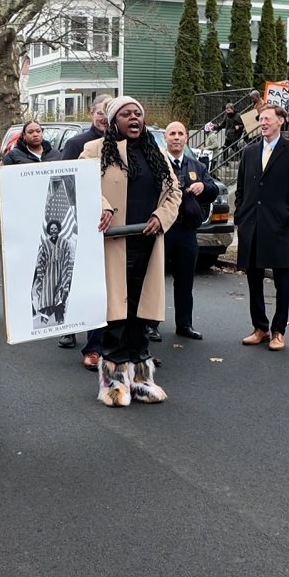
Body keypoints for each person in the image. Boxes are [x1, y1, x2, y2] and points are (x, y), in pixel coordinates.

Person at [80, 97, 181, 407]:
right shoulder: (95, 151)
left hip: (147, 244)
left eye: (138, 113)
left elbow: (174, 192)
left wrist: (159, 217)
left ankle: (140, 381)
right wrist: (104, 206)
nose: (134, 118)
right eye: (126, 114)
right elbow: (80, 184)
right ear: (114, 122)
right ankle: (112, 383)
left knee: (140, 316)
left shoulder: (157, 154)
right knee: (116, 318)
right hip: (113, 246)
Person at [235, 104, 289, 352]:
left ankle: (279, 331)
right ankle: (260, 328)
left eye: (267, 118)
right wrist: (240, 217)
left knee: (282, 282)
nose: (263, 122)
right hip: (252, 227)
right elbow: (242, 190)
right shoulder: (249, 152)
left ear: (281, 121)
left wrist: (287, 217)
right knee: (254, 281)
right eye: (260, 119)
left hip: (279, 228)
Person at [57, 94, 112, 356]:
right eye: (101, 112)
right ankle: (69, 328)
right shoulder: (77, 143)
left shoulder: (121, 144)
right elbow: (66, 180)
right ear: (92, 113)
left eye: (108, 112)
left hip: (110, 225)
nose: (104, 117)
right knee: (77, 279)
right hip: (79, 221)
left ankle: (101, 339)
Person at [162, 121, 219, 339]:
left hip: (186, 231)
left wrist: (203, 187)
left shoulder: (197, 167)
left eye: (180, 134)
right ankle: (150, 325)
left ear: (186, 138)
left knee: (185, 281)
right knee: (154, 281)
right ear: (165, 138)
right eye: (172, 134)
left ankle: (184, 324)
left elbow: (213, 190)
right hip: (162, 230)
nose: (176, 137)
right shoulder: (157, 163)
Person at [61, 94, 111, 160]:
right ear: (92, 114)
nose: (105, 118)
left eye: (109, 113)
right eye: (100, 113)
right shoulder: (75, 144)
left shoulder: (123, 142)